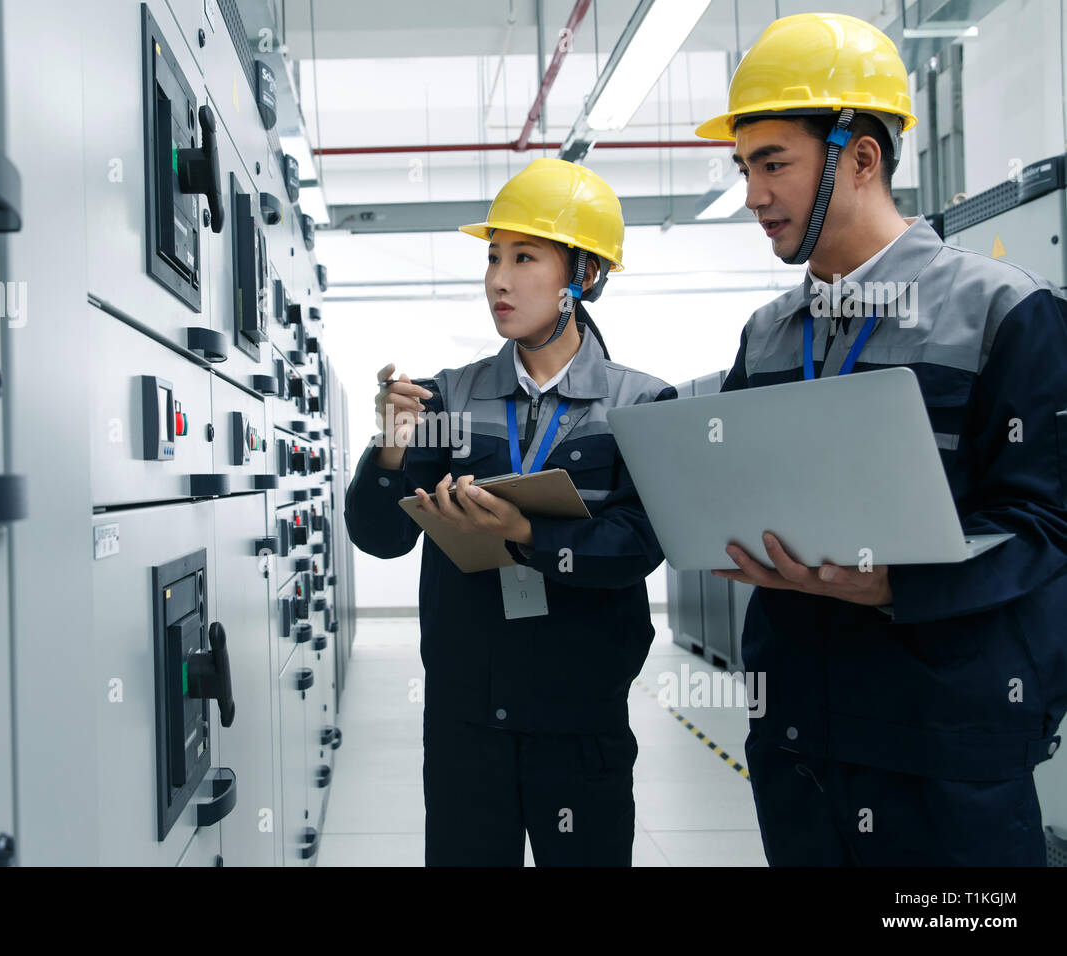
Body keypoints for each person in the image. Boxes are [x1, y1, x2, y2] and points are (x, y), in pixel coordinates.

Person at [694, 12, 1067, 865]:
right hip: (800, 739)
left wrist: (896, 583)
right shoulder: (769, 335)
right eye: (745, 166)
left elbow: (1047, 525)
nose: (754, 194)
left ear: (861, 157)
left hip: (945, 748)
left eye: (773, 163)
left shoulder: (1006, 311)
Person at [344, 157, 674, 866]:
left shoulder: (642, 404)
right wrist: (392, 449)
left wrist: (526, 532)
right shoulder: (446, 399)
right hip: (468, 721)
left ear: (582, 275)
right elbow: (380, 538)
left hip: (579, 719)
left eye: (525, 257)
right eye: (494, 257)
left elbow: (639, 544)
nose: (498, 278)